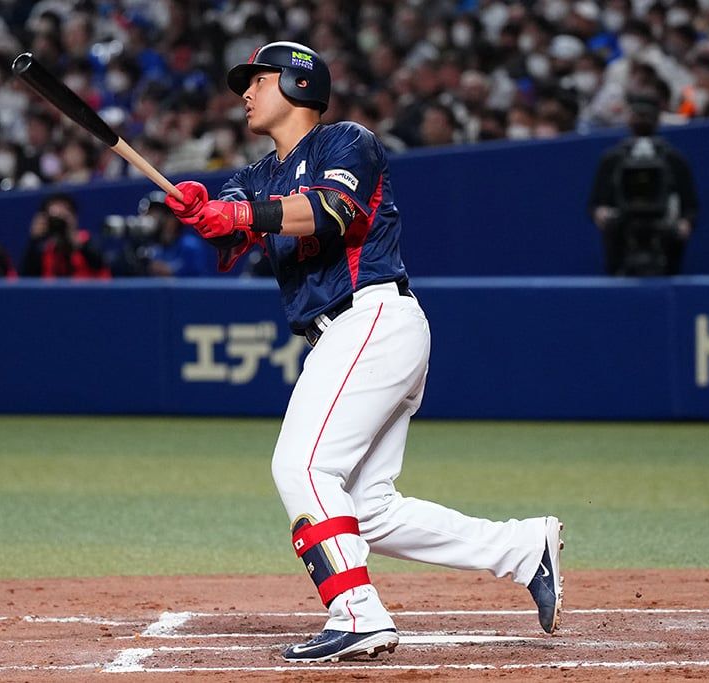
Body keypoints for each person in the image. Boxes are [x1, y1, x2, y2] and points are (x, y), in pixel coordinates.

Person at [164, 41, 564, 664]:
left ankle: (356, 615)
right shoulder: (258, 174)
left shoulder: (346, 141)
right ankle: (521, 548)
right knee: (366, 510)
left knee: (302, 469)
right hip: (350, 335)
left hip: (371, 318)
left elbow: (329, 210)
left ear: (299, 86)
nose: (245, 92)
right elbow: (233, 224)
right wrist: (198, 209)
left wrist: (237, 212)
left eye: (259, 80)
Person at [588, 88, 699, 276]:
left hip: (664, 238)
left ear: (657, 118)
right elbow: (595, 202)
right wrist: (601, 214)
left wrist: (684, 223)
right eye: (637, 114)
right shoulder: (612, 159)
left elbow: (690, 204)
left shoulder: (673, 159)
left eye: (647, 115)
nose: (642, 119)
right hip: (622, 236)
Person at [20, 192, 109, 279]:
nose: (59, 222)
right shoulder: (43, 249)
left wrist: (74, 240)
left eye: (65, 214)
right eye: (54, 219)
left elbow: (100, 265)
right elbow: (26, 279)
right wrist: (34, 240)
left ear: (74, 217)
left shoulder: (88, 241)